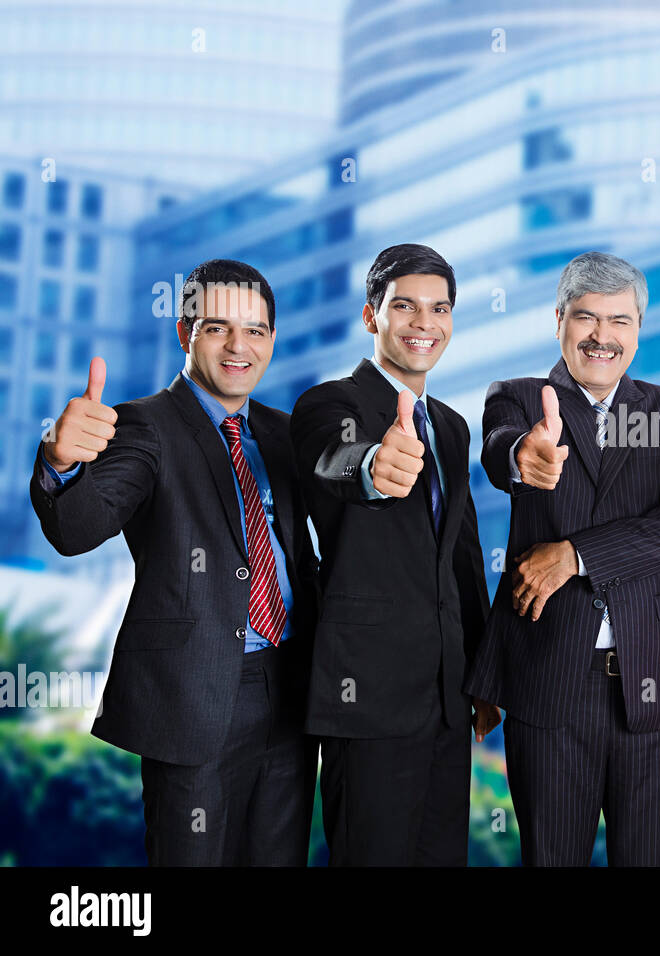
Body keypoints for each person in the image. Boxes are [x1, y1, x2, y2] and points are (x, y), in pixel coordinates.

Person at [30, 259, 320, 865]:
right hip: (195, 695)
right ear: (185, 334)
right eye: (218, 328)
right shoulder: (147, 426)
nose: (240, 346)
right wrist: (60, 463)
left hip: (290, 687)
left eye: (257, 331)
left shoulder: (283, 432)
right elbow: (77, 528)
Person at [465, 251, 660, 866]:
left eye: (619, 321)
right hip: (549, 684)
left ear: (638, 328)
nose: (602, 336)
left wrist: (576, 555)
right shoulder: (518, 399)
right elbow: (502, 451)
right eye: (585, 318)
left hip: (651, 688)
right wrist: (526, 455)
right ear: (558, 321)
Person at [290, 243, 496, 866]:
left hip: (446, 696)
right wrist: (377, 468)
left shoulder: (454, 428)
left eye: (439, 309)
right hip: (367, 695)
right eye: (404, 306)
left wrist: (482, 674)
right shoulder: (329, 404)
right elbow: (335, 460)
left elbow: (463, 557)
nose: (423, 323)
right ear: (370, 315)